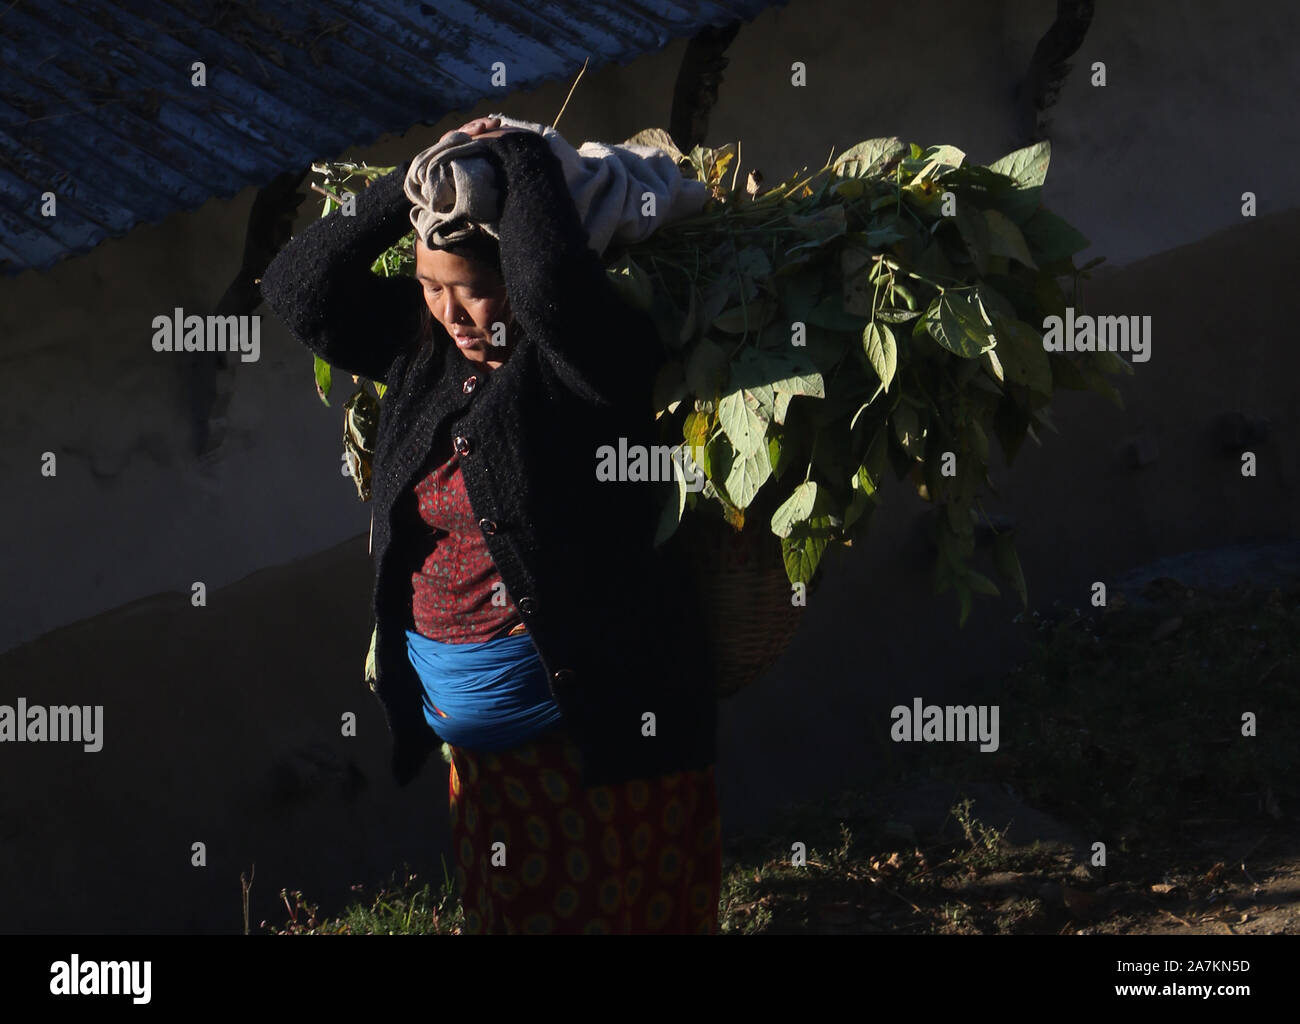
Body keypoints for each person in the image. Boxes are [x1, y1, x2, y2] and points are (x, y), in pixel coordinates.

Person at [259, 116, 721, 934]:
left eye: (473, 286)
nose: (451, 311)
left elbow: (552, 291)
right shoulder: (421, 354)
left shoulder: (590, 361)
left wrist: (521, 154)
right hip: (484, 762)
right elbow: (298, 285)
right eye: (432, 286)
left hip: (597, 737)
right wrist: (420, 172)